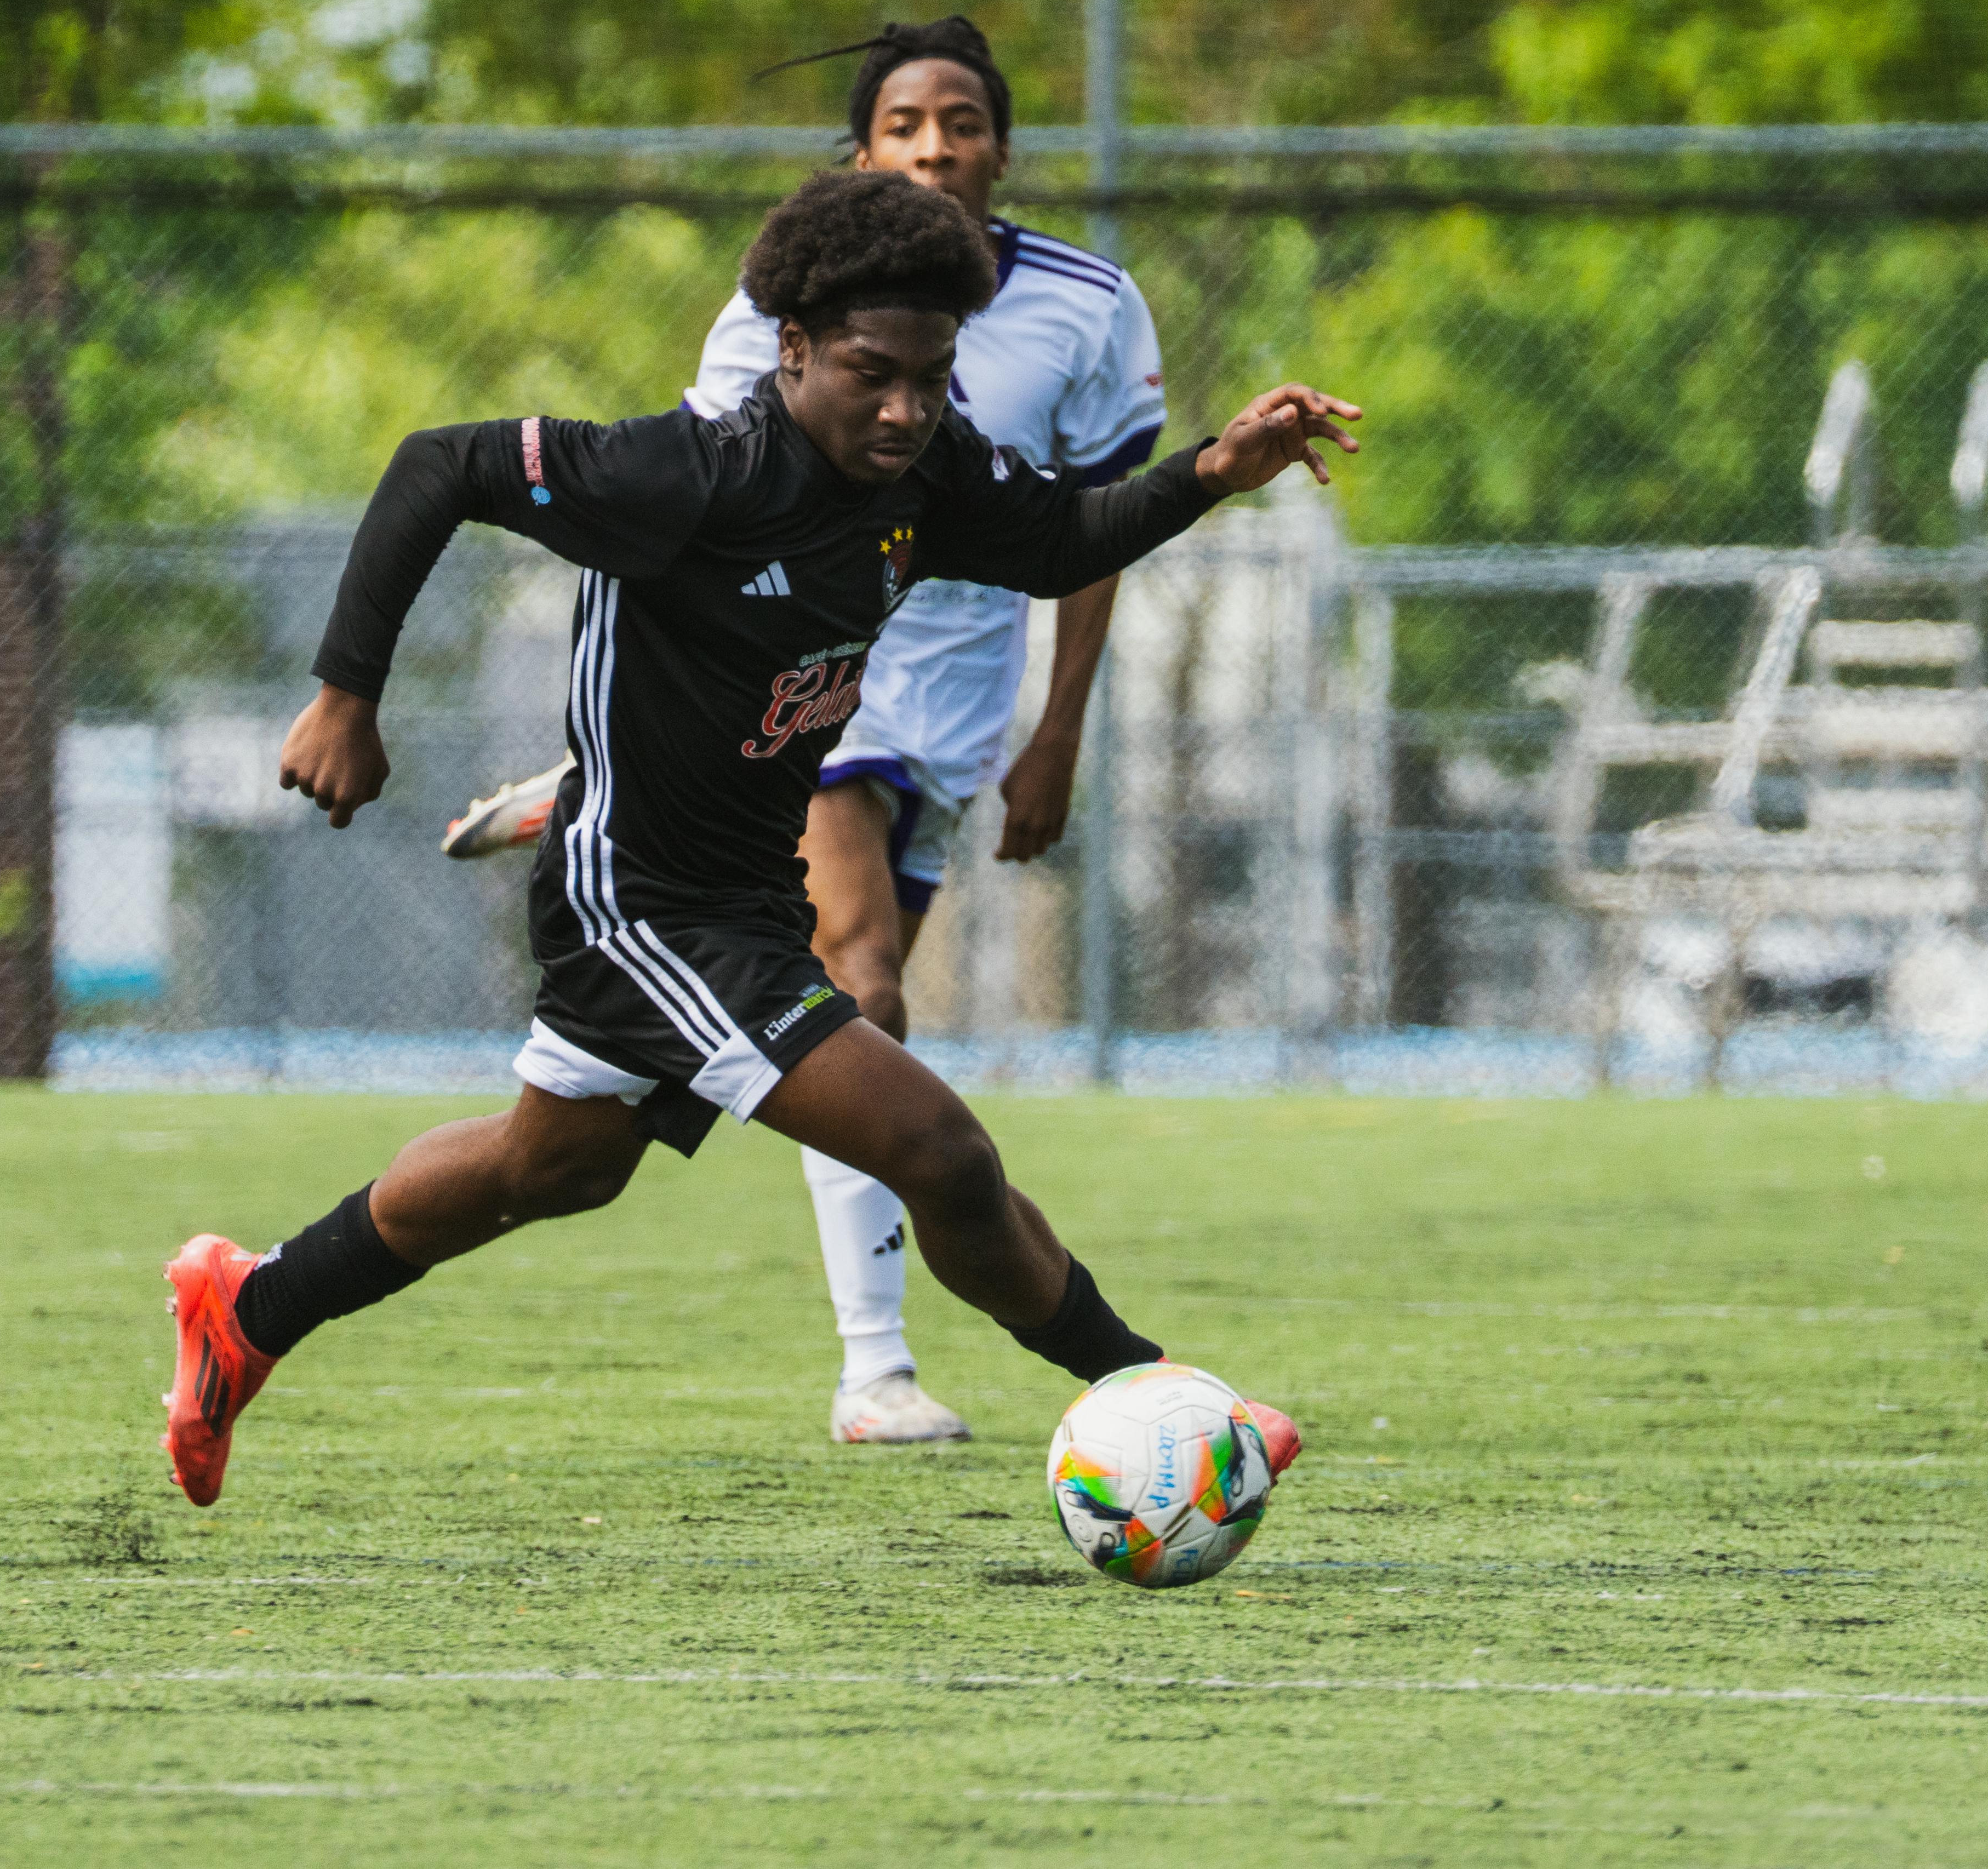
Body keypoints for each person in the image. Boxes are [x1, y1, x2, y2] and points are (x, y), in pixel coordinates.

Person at [161, 168, 1355, 1508]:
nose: (904, 408)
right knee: (941, 1150)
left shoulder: (925, 470)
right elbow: (443, 463)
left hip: (741, 893)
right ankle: (1164, 1395)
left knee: (555, 1164)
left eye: (931, 377)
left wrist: (1212, 470)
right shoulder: (690, 473)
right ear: (792, 348)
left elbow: (1055, 539)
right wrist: (345, 693)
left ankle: (249, 1304)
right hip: (641, 903)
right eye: (868, 373)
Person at [440, 16, 1164, 1444]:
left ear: (1002, 149)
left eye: (961, 122)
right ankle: (877, 1369)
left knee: (580, 1153)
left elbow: (1086, 530)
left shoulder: (1090, 305)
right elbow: (704, 504)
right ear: (859, 153)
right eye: (902, 126)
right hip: (816, 690)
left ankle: (267, 1288)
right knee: (865, 991)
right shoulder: (778, 311)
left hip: (950, 706)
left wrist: (1058, 728)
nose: (933, 149)